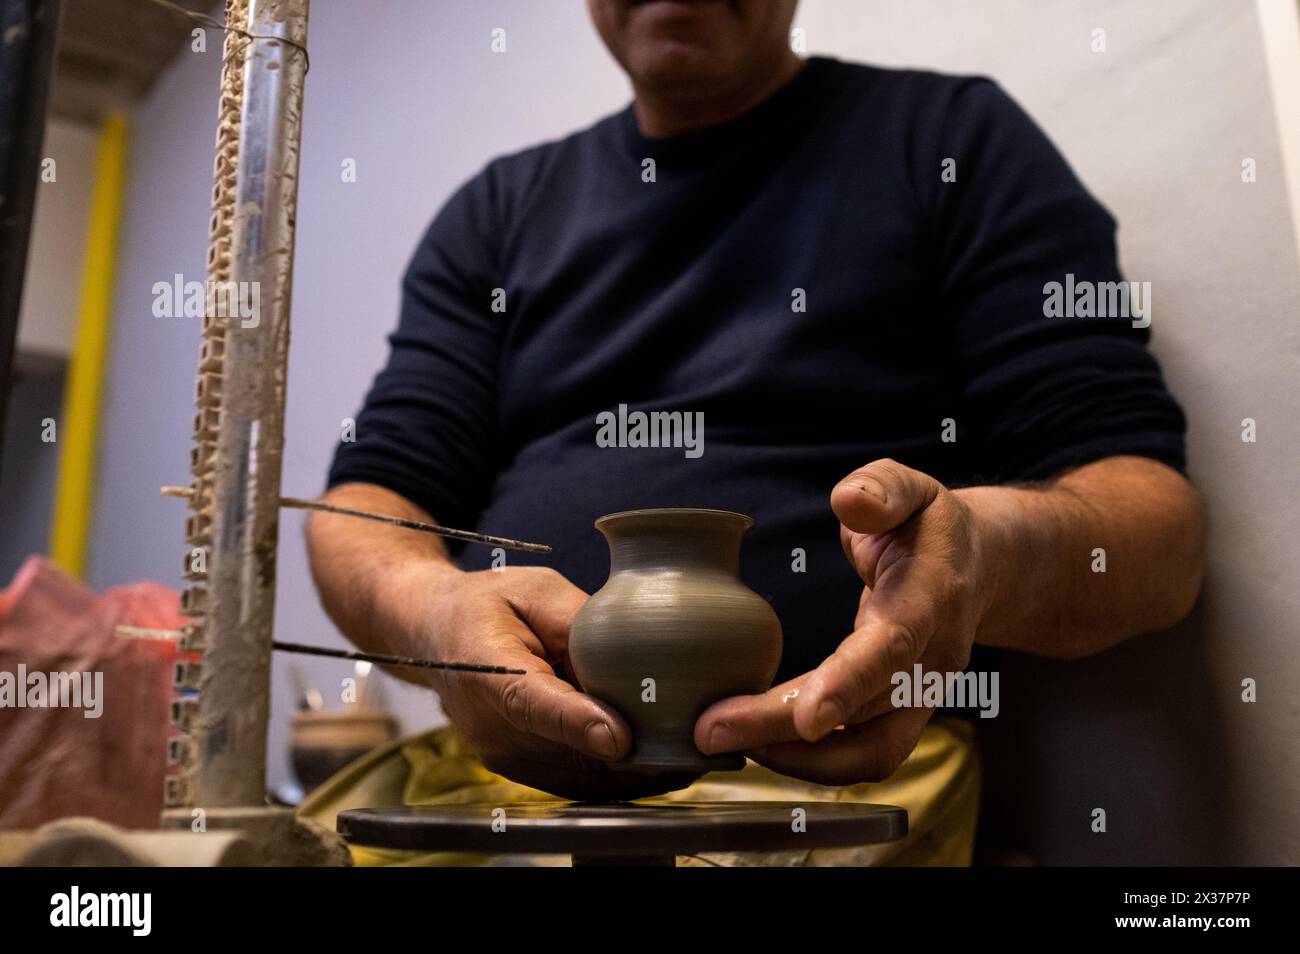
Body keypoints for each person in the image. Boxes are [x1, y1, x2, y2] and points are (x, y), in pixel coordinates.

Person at [305, 0, 1205, 864]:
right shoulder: (496, 212)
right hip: (502, 778)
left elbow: (1157, 530)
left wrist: (983, 559)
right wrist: (428, 610)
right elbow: (368, 499)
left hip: (837, 781)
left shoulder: (947, 140)